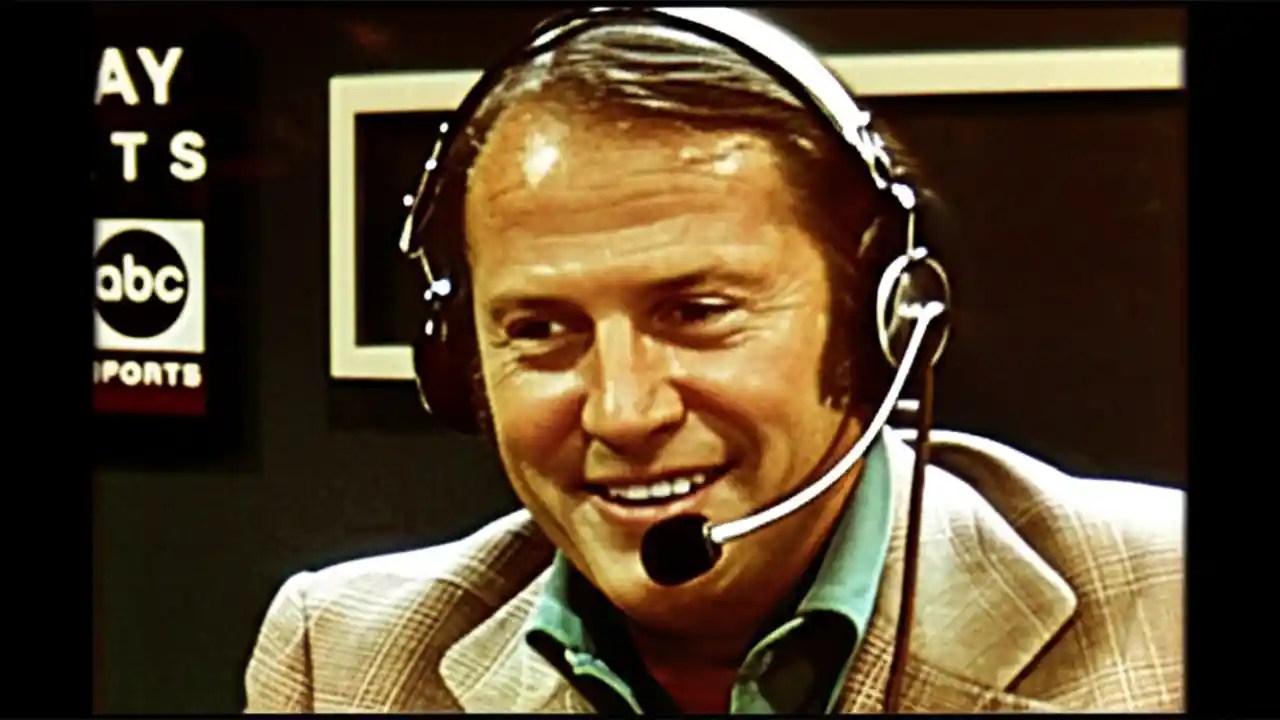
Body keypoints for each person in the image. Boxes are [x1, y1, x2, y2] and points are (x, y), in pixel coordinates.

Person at [244, 8, 1184, 714]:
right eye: (539, 330)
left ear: (877, 325)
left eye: (697, 312)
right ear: (459, 360)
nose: (622, 411)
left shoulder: (1167, 607)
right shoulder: (346, 656)